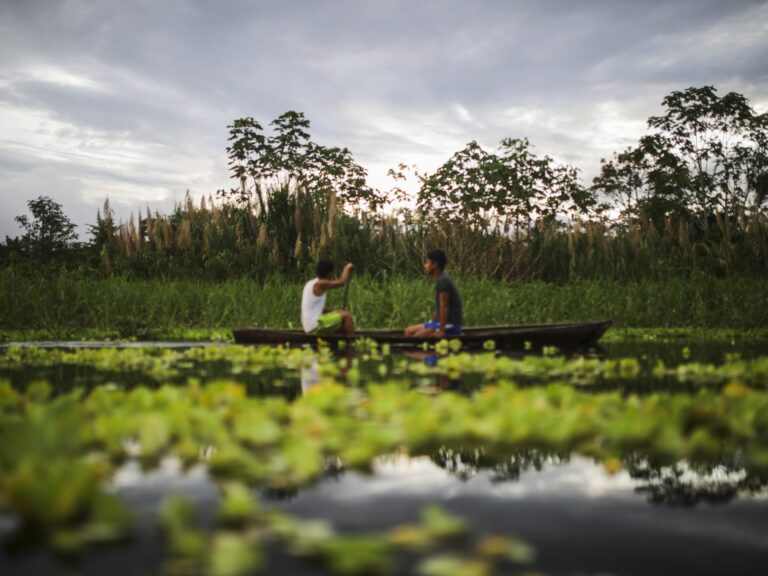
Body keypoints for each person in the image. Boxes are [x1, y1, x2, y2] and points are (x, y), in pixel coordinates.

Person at [404, 249, 463, 338]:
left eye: (428, 263)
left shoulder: (443, 281)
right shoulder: (441, 279)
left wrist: (441, 331)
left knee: (417, 337)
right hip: (439, 323)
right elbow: (440, 308)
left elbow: (444, 307)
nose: (425, 265)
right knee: (408, 331)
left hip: (451, 325)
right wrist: (432, 323)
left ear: (435, 265)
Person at [301, 259, 355, 336]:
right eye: (332, 273)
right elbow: (341, 282)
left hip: (309, 326)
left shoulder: (310, 283)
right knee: (347, 316)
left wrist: (336, 311)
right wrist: (347, 267)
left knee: (342, 314)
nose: (332, 275)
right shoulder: (321, 283)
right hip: (315, 326)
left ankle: (341, 342)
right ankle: (352, 345)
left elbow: (319, 308)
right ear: (329, 273)